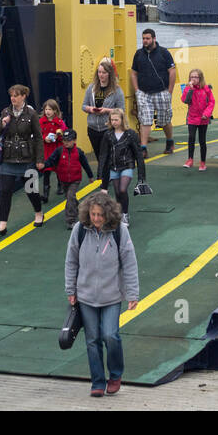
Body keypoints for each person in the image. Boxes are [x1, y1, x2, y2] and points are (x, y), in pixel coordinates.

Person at [64, 190, 139, 397]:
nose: (96, 219)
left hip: (112, 296)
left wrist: (132, 294)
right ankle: (97, 382)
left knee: (110, 335)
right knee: (92, 339)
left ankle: (115, 375)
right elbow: (71, 261)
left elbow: (130, 263)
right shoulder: (79, 230)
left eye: (100, 215)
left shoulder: (120, 231)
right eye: (93, 214)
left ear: (108, 214)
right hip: (86, 296)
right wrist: (71, 289)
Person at [0, 84, 45, 235]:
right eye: (11, 95)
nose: (13, 98)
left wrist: (40, 159)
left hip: (27, 157)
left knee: (30, 189)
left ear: (23, 96)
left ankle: (38, 213)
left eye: (16, 95)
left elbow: (39, 138)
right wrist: (3, 123)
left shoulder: (31, 114)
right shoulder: (6, 112)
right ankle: (2, 224)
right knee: (5, 190)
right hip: (8, 157)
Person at [131, 28, 177, 154]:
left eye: (147, 38)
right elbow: (134, 73)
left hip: (162, 92)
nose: (145, 41)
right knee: (145, 120)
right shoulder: (138, 54)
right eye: (143, 38)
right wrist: (137, 90)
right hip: (144, 93)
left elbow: (172, 72)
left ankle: (169, 141)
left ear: (154, 39)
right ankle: (143, 148)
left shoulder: (164, 53)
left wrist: (170, 91)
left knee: (164, 120)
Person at [98, 108, 145, 223]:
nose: (113, 122)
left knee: (123, 190)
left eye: (116, 119)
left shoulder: (131, 134)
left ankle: (125, 215)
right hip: (113, 167)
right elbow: (103, 155)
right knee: (118, 192)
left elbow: (138, 155)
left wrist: (141, 178)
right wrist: (102, 180)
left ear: (122, 120)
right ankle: (120, 213)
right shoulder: (108, 135)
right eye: (112, 120)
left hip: (127, 166)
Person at [45, 129, 95, 229]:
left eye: (69, 140)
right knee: (70, 198)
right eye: (64, 140)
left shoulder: (79, 152)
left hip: (75, 179)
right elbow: (50, 160)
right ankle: (82, 209)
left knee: (70, 197)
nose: (66, 142)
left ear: (74, 140)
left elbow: (85, 164)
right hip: (63, 179)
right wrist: (43, 165)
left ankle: (70, 220)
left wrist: (90, 176)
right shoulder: (59, 150)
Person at [82, 60, 125, 160]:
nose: (101, 75)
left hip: (108, 128)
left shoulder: (117, 90)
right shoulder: (91, 88)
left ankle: (108, 174)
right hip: (93, 128)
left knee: (108, 157)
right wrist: (91, 109)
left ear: (109, 74)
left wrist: (106, 110)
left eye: (104, 73)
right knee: (99, 156)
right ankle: (103, 174)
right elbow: (84, 106)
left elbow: (121, 111)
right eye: (99, 72)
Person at [179, 68, 215, 170]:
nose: (193, 79)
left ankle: (202, 162)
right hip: (192, 117)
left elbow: (211, 102)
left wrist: (206, 114)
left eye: (195, 77)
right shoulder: (187, 88)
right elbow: (185, 100)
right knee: (191, 137)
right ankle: (190, 159)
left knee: (202, 140)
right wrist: (190, 89)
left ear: (200, 78)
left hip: (203, 118)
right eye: (191, 77)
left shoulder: (206, 89)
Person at [39, 99, 69, 202]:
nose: (47, 111)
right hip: (46, 150)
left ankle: (60, 186)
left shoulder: (60, 123)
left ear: (55, 111)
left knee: (58, 169)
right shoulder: (41, 121)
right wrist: (44, 138)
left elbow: (65, 134)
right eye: (46, 109)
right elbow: (38, 134)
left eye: (50, 109)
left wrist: (58, 136)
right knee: (46, 171)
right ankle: (45, 195)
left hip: (57, 149)